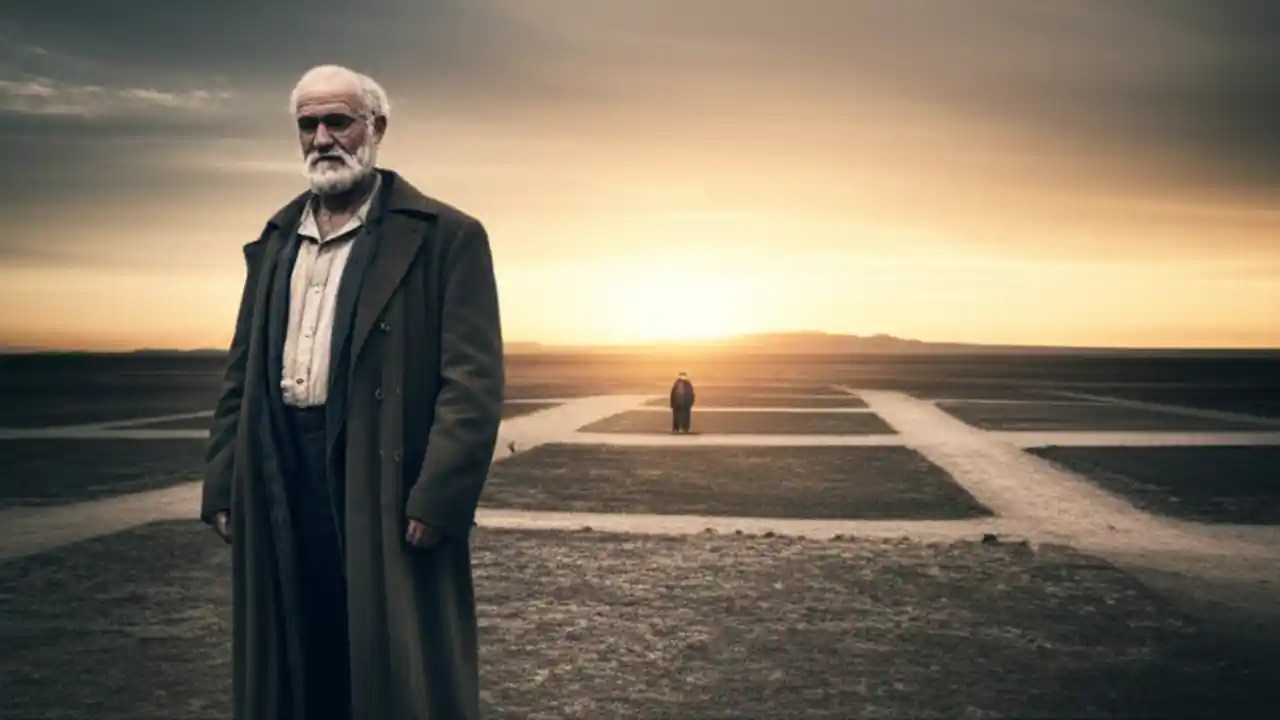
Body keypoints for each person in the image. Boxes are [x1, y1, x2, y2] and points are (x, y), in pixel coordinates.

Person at [200, 64, 503, 720]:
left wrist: (440, 496)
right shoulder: (279, 239)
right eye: (307, 125)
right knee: (296, 639)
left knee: (385, 654)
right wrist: (224, 480)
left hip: (383, 470)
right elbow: (241, 371)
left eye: (338, 120)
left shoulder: (446, 236)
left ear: (377, 128)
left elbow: (473, 384)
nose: (322, 138)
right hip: (283, 463)